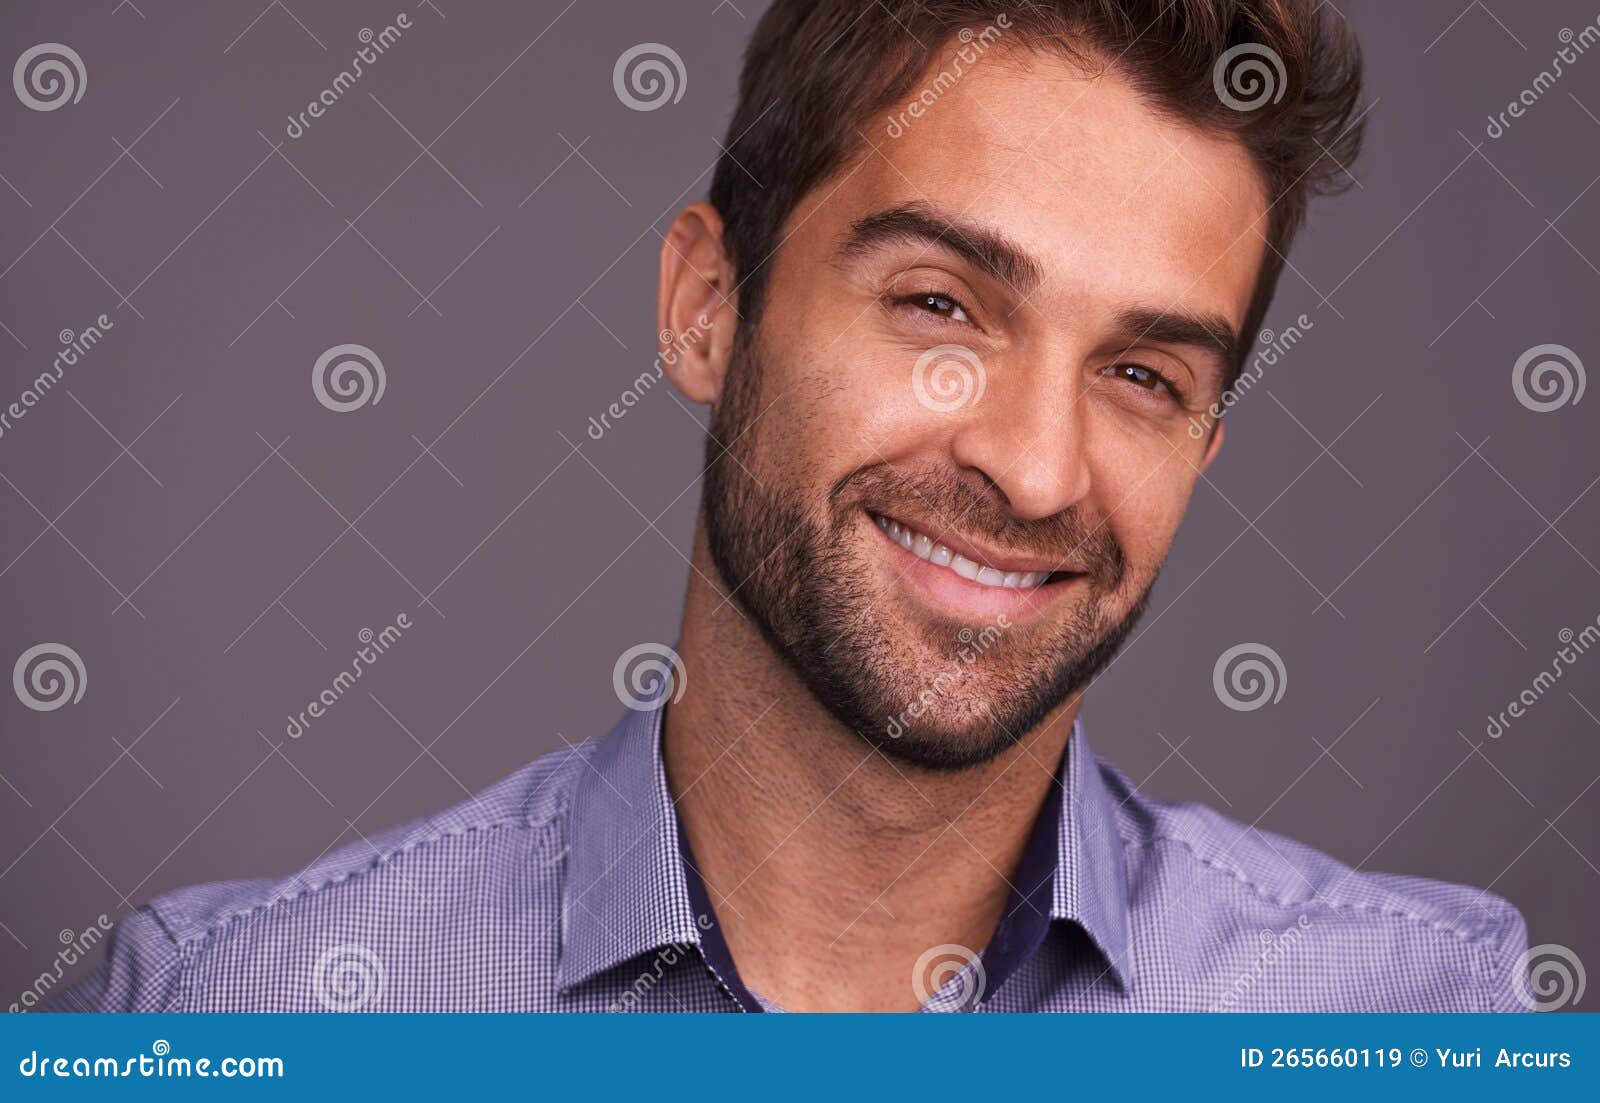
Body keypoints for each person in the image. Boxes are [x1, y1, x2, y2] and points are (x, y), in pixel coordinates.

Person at [52, 0, 1529, 1013]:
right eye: (941, 303)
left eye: (1142, 374)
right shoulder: (245, 1014)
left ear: (1207, 442)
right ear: (708, 307)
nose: (1033, 469)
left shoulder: (1416, 1015)